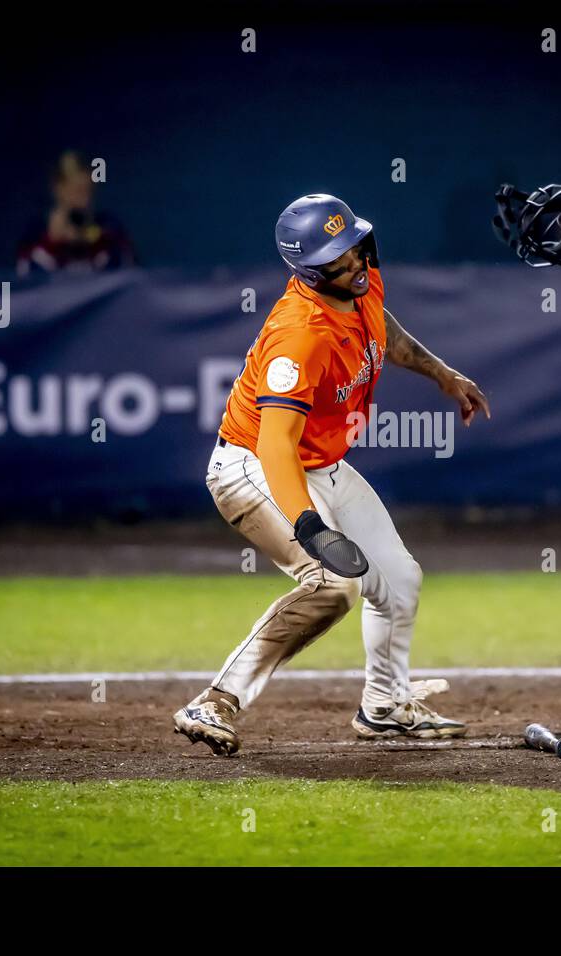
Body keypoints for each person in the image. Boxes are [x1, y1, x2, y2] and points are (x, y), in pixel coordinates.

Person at [174, 194, 491, 756]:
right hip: (252, 465)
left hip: (319, 463)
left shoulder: (359, 285)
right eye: (338, 257)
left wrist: (440, 372)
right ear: (310, 272)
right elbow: (275, 443)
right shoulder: (301, 333)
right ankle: (217, 700)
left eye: (355, 246)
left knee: (399, 581)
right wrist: (309, 527)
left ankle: (386, 705)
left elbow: (382, 329)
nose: (355, 262)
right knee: (333, 585)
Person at [16, 150, 135, 276]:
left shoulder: (109, 228)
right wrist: (51, 243)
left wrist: (96, 241)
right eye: (78, 191)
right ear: (58, 188)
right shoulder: (37, 231)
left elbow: (127, 275)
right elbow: (26, 281)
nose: (85, 201)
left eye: (89, 191)